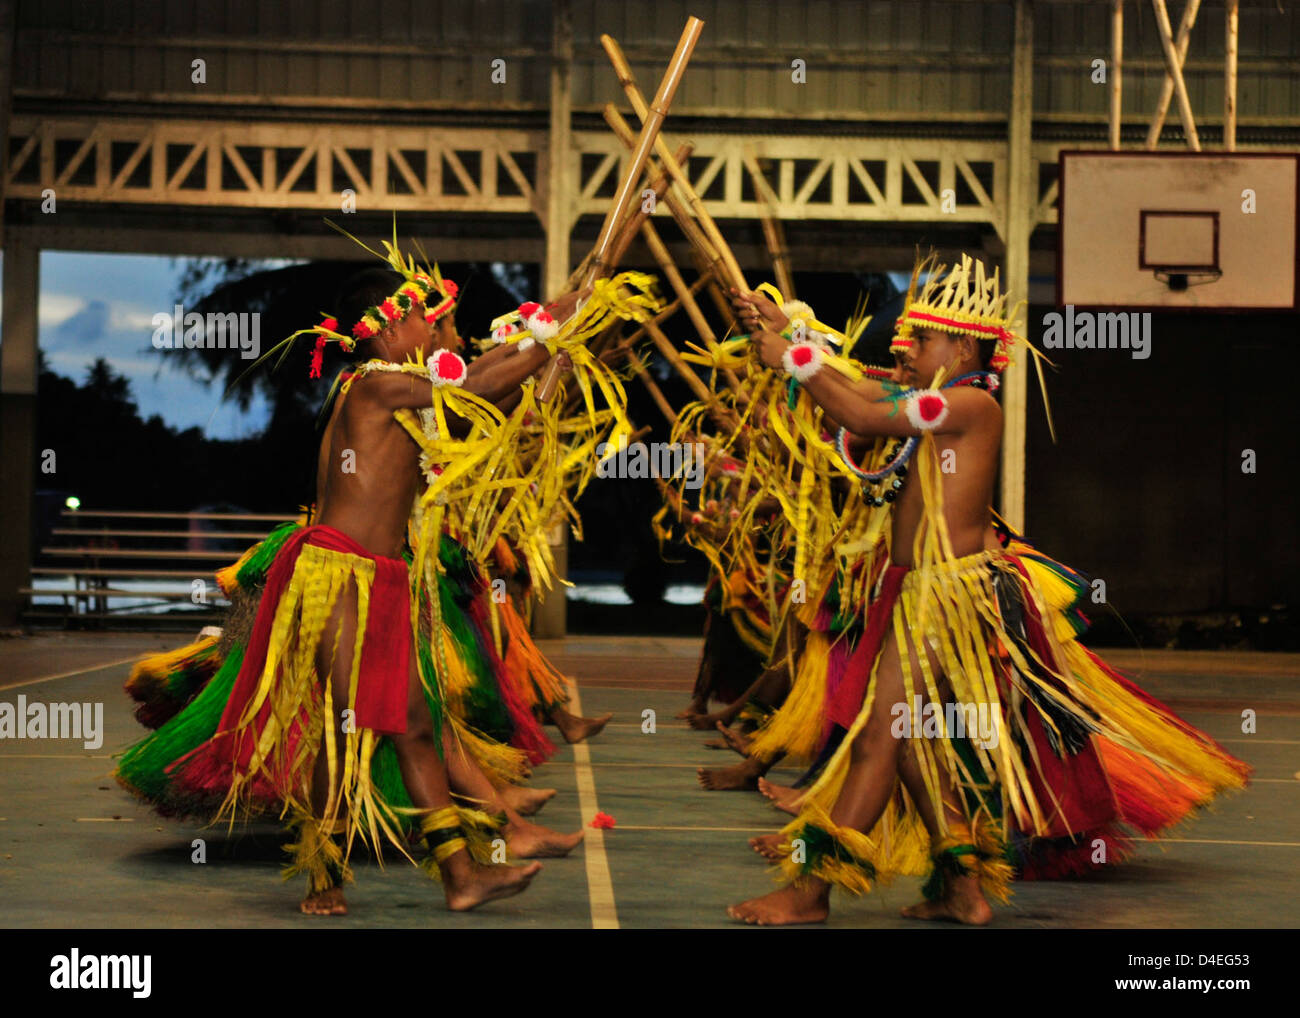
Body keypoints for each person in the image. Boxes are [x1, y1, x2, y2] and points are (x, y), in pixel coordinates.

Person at [722, 254, 1250, 925]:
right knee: (911, 742)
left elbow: (868, 414)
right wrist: (791, 334)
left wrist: (790, 358)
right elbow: (865, 388)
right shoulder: (944, 399)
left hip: (945, 597)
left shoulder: (969, 404)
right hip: (926, 592)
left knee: (879, 739)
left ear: (964, 344)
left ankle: (809, 892)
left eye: (925, 339)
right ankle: (961, 886)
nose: (910, 350)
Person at [167, 255, 566, 915]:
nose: (430, 329)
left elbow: (478, 382)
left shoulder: (394, 391)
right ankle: (323, 877)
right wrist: (549, 335)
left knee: (412, 723)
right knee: (341, 728)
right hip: (335, 573)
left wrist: (547, 333)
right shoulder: (376, 384)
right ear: (383, 329)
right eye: (417, 316)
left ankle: (462, 877)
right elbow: (469, 388)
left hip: (379, 578)